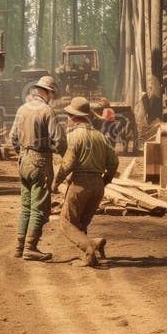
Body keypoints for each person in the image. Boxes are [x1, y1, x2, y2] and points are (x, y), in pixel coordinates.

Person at [53, 97, 119, 265]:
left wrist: (56, 182)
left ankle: (90, 247)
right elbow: (114, 162)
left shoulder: (74, 136)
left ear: (74, 116)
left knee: (66, 223)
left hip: (81, 184)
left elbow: (68, 163)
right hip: (98, 185)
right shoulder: (101, 137)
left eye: (68, 115)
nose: (67, 118)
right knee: (81, 222)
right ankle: (90, 252)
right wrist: (104, 180)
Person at [9, 75, 66, 262]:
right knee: (39, 207)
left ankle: (19, 247)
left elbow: (12, 138)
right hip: (39, 161)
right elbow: (59, 140)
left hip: (23, 160)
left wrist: (23, 152)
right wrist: (66, 157)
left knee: (25, 206)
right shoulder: (47, 111)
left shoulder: (22, 109)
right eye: (52, 94)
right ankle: (31, 248)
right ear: (48, 92)